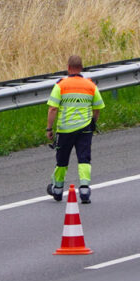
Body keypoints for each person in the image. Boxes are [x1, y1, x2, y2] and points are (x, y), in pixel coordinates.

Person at [45, 54, 104, 203]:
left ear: (68, 68)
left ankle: (57, 189)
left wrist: (49, 129)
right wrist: (93, 123)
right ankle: (84, 189)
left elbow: (53, 109)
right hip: (84, 128)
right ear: (81, 68)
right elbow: (97, 108)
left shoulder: (61, 85)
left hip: (65, 129)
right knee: (84, 158)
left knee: (62, 160)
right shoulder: (90, 85)